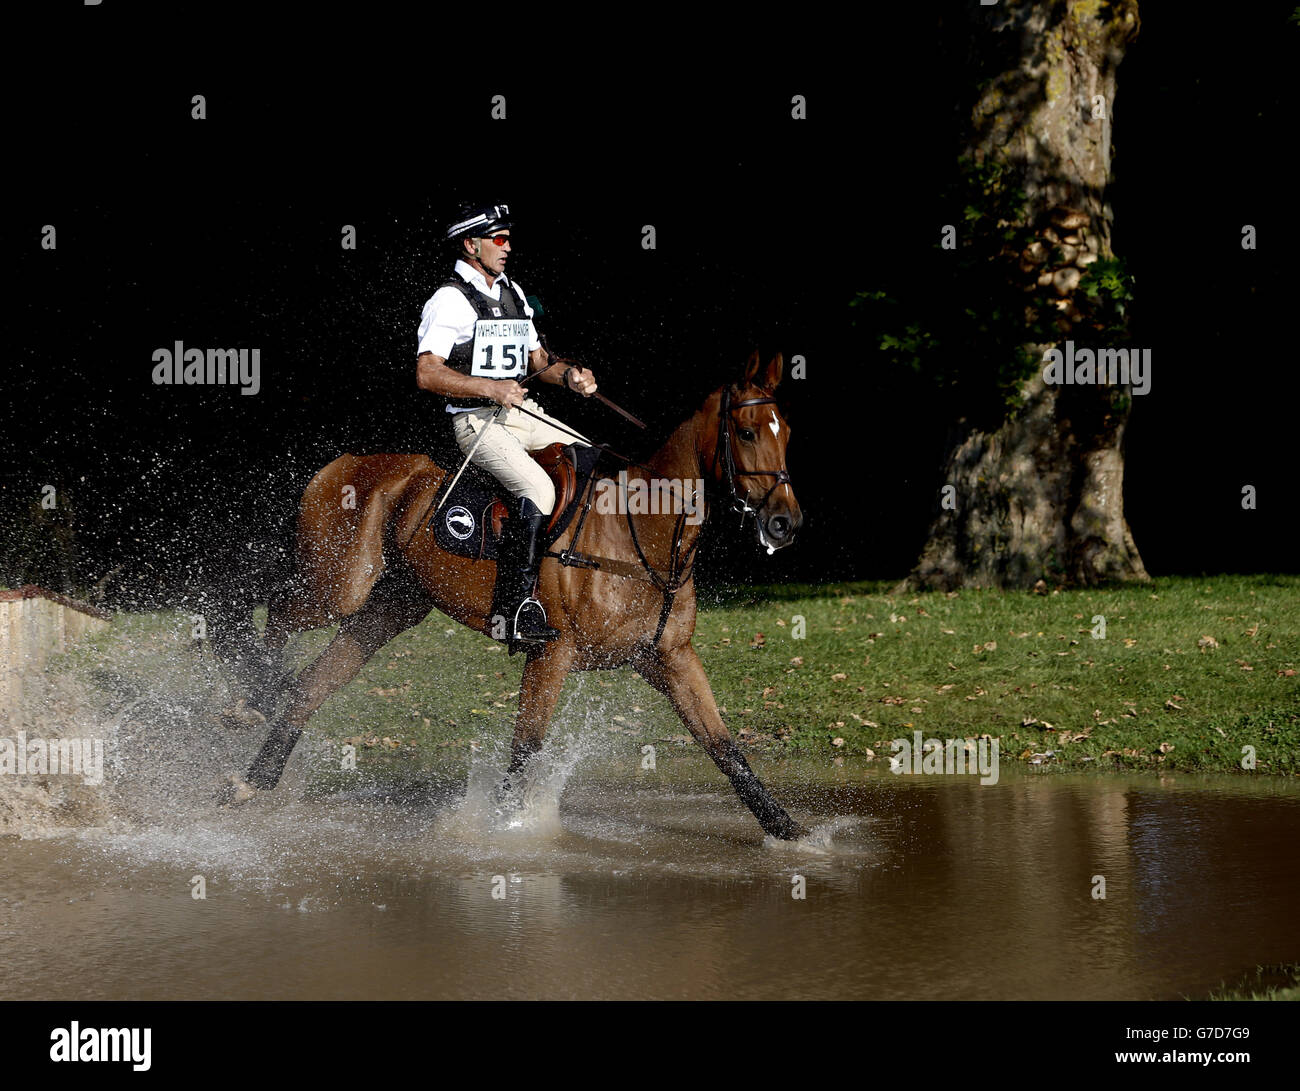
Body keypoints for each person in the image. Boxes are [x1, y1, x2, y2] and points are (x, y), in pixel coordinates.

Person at [415, 201, 598, 651]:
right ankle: (515, 608)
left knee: (591, 458)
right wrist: (489, 388)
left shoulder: (513, 291)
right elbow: (426, 372)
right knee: (537, 489)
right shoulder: (449, 300)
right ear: (470, 244)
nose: (508, 246)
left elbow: (539, 363)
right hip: (476, 421)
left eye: (508, 238)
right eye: (500, 239)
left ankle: (573, 579)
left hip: (519, 414)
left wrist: (570, 377)